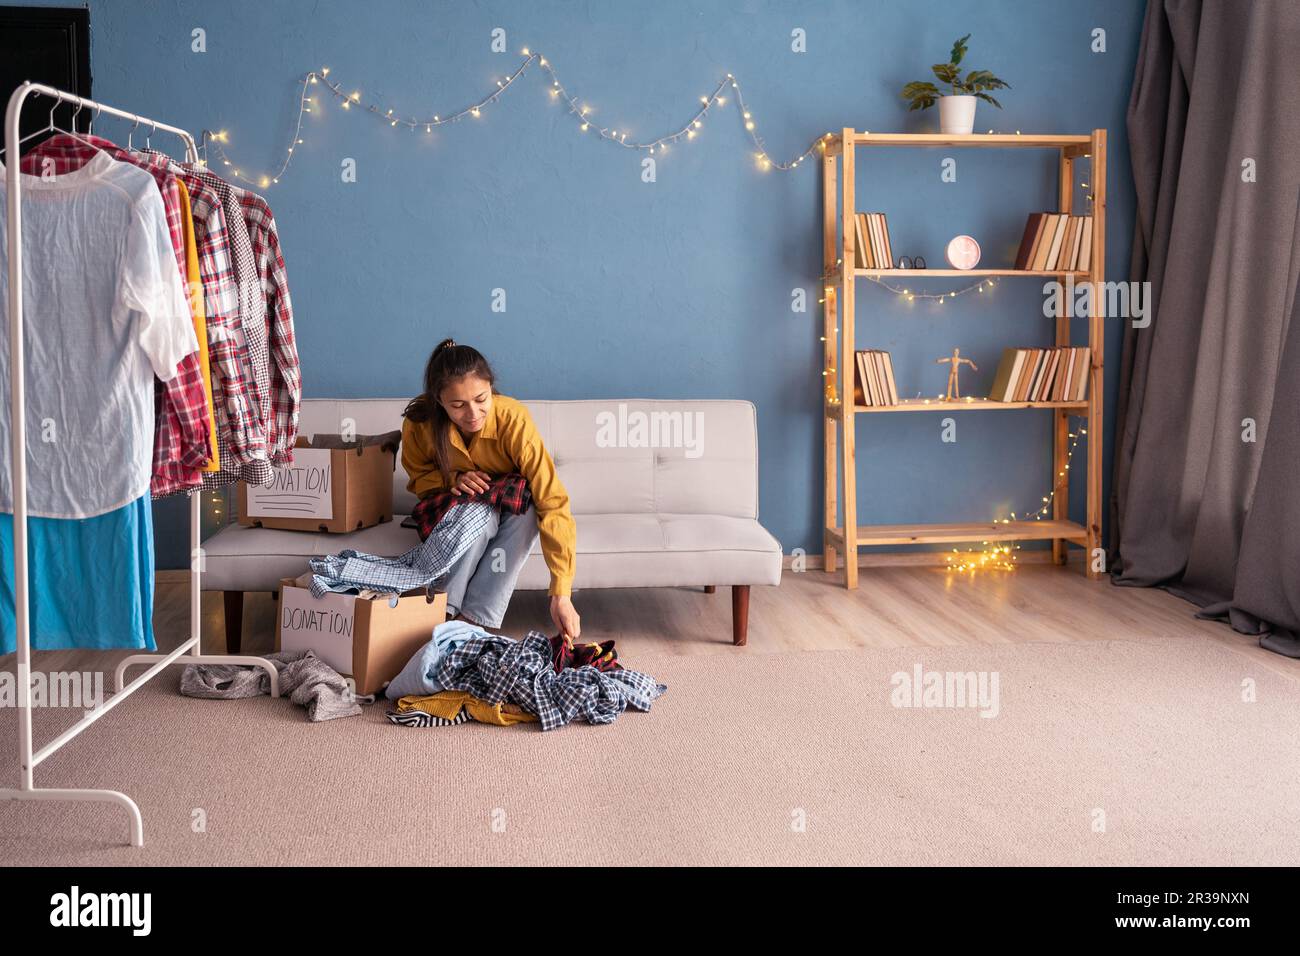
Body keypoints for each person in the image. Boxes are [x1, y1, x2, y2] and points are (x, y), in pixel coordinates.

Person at [401, 338, 581, 639]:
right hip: (456, 509)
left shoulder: (513, 419)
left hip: (511, 508)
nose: (472, 414)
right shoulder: (419, 424)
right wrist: (453, 479)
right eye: (458, 405)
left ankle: (471, 621)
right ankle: (442, 612)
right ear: (439, 401)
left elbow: (552, 501)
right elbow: (419, 479)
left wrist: (561, 594)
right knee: (480, 515)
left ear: (491, 388)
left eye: (481, 399)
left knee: (529, 508)